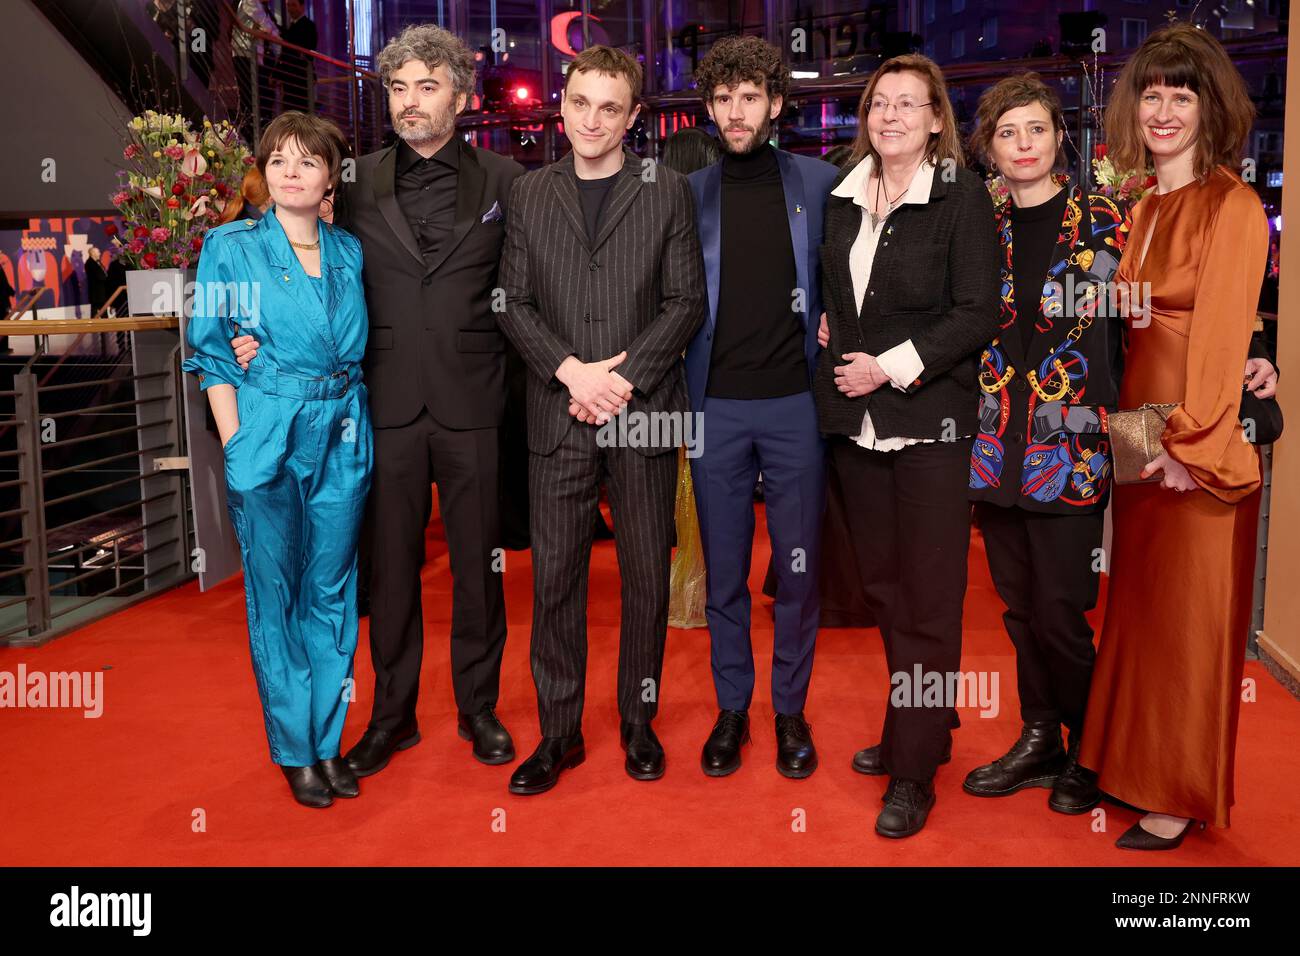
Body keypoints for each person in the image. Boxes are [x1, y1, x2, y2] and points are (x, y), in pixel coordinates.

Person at [232, 25, 525, 776]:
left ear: (460, 94)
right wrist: (260, 335)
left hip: (476, 401)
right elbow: (294, 246)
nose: (410, 101)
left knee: (478, 569)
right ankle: (393, 717)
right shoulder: (351, 179)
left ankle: (479, 707)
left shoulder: (506, 178)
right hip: (378, 406)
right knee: (389, 572)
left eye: (428, 86)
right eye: (398, 87)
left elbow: (531, 287)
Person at [1078, 22, 1270, 850]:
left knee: (1193, 624)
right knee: (1141, 613)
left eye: (1180, 96)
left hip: (1195, 442)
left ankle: (1180, 791)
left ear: (1210, 106)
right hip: (1135, 429)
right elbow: (1139, 318)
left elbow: (1226, 338)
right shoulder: (1145, 205)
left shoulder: (1233, 202)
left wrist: (1192, 446)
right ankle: (1130, 764)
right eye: (1151, 94)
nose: (1162, 110)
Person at [496, 45, 706, 795]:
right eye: (580, 102)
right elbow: (511, 303)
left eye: (609, 106)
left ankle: (638, 722)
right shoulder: (529, 193)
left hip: (641, 411)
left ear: (634, 118)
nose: (592, 119)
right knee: (554, 580)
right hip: (557, 409)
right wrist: (571, 371)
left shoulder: (667, 190)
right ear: (562, 104)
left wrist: (618, 379)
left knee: (647, 576)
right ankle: (558, 734)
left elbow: (686, 304)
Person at [813, 54, 999, 837]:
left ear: (934, 119)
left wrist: (887, 367)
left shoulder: (961, 196)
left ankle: (915, 769)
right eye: (878, 103)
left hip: (930, 426)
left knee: (928, 600)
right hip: (857, 430)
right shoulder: (844, 194)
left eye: (907, 104)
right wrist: (830, 330)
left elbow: (977, 311)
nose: (889, 115)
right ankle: (913, 722)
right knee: (884, 591)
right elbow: (836, 294)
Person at [182, 111, 372, 808]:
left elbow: (352, 346)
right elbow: (209, 350)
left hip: (346, 428)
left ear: (329, 178)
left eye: (308, 161)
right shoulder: (230, 247)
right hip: (266, 428)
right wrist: (234, 441)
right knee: (276, 593)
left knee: (332, 590)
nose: (292, 171)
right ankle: (294, 748)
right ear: (263, 173)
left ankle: (328, 743)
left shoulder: (349, 250)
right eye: (279, 160)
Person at [684, 36, 839, 778]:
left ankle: (791, 712)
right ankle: (732, 710)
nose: (735, 112)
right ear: (710, 108)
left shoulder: (821, 182)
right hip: (713, 407)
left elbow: (860, 278)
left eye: (750, 97)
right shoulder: (691, 192)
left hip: (795, 409)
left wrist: (844, 328)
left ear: (776, 104)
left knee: (799, 576)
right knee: (722, 575)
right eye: (723, 99)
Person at [660, 125, 722, 631]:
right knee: (701, 489)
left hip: (659, 372)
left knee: (676, 487)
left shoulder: (658, 213)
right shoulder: (711, 221)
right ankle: (698, 591)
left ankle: (682, 590)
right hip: (706, 369)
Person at [274, 0, 317, 114]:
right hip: (291, 77)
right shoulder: (292, 26)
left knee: (299, 112)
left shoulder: (308, 26)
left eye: (293, 5)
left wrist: (277, 73)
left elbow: (305, 52)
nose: (290, 9)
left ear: (302, 6)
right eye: (288, 5)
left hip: (299, 77)